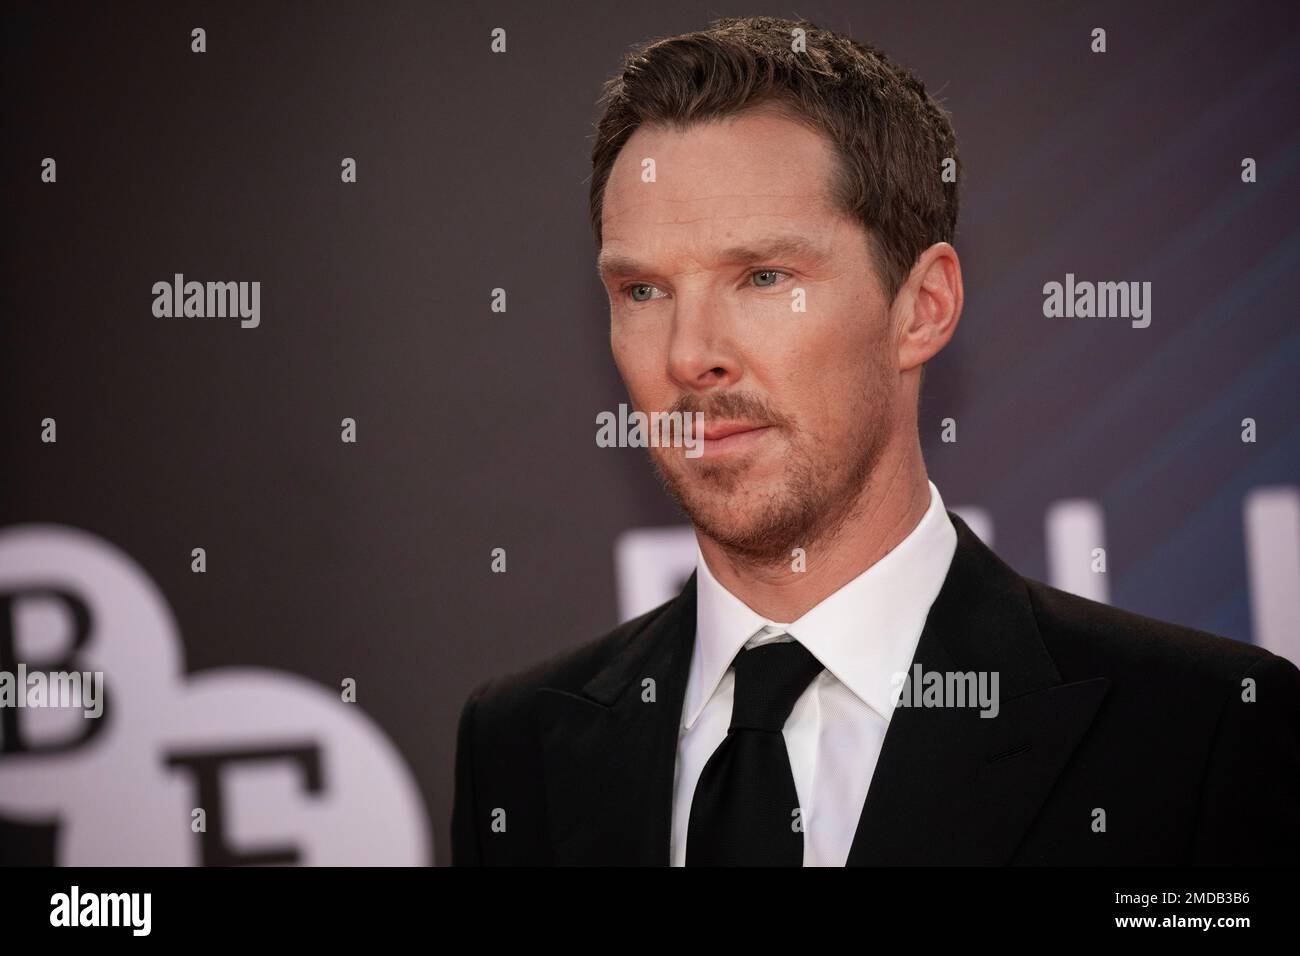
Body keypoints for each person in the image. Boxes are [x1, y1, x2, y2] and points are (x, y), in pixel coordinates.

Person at [451, 15, 1300, 866]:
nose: (688, 354)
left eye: (763, 277)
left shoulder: (1200, 735)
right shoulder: (521, 746)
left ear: (921, 306)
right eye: (642, 291)